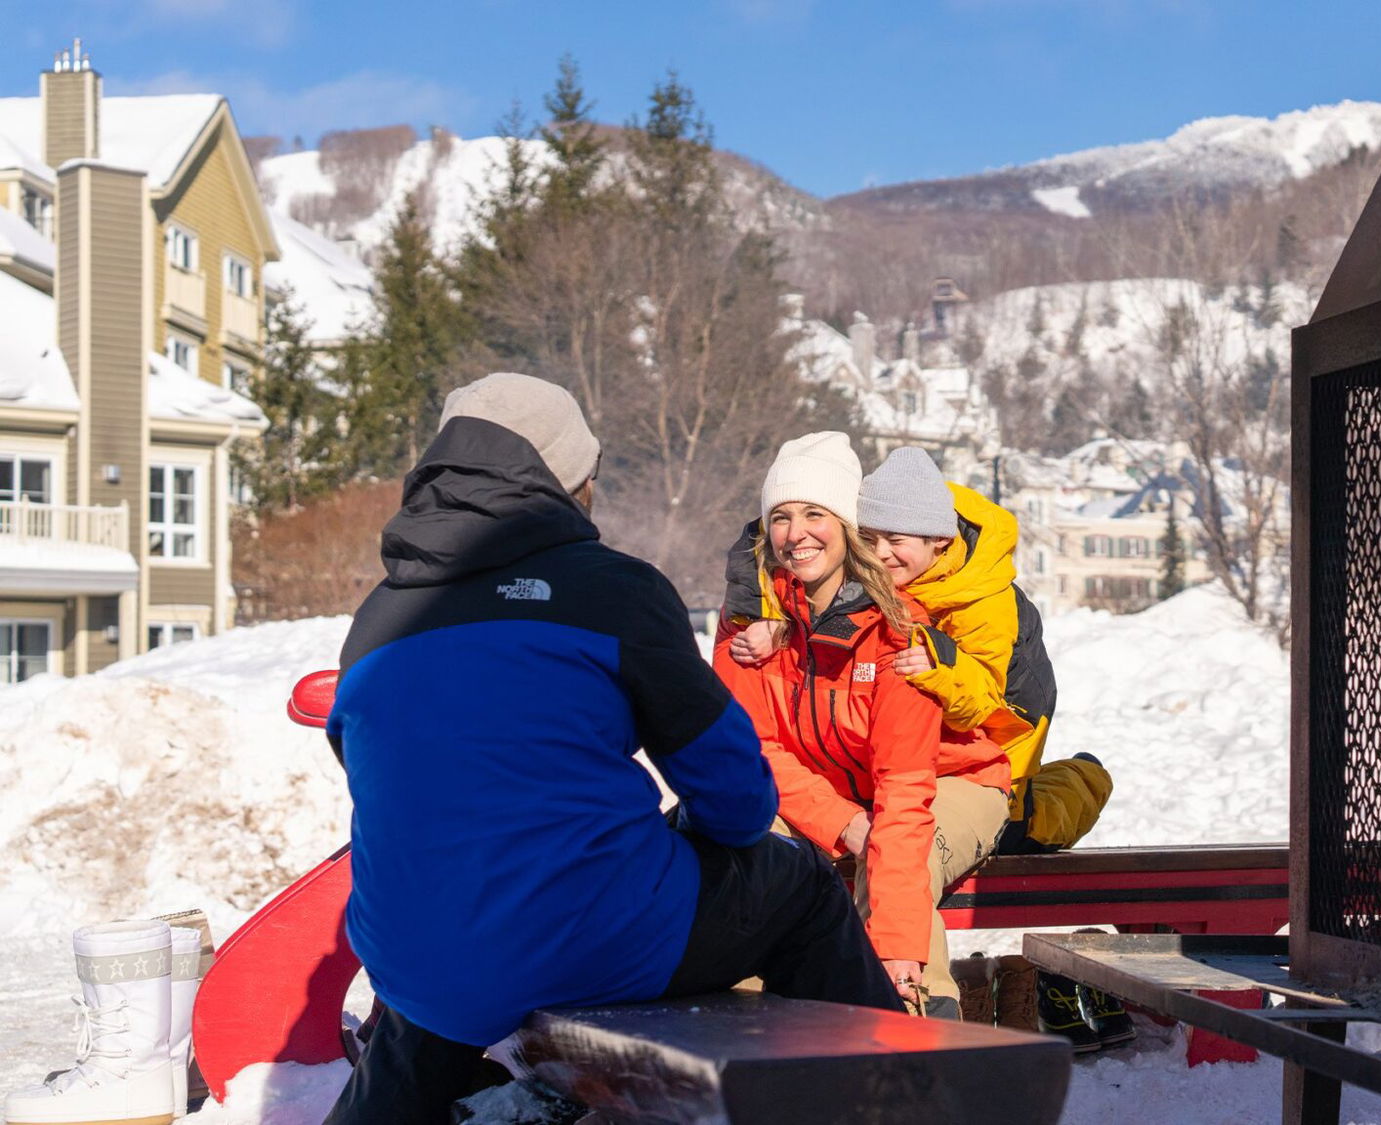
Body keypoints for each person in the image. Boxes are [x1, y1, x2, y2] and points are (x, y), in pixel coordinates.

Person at [323, 376, 901, 1124]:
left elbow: (377, 770)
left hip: (408, 947)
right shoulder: (609, 591)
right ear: (567, 481)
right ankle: (905, 1099)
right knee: (795, 883)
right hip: (584, 935)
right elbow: (737, 799)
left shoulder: (377, 615)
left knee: (451, 952)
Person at [710, 433, 1013, 1019]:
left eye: (814, 514)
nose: (795, 533)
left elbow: (904, 788)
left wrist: (898, 950)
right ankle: (733, 1018)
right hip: (835, 792)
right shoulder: (751, 624)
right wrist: (842, 820)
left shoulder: (901, 631)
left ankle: (917, 1017)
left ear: (849, 527)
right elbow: (748, 750)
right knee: (740, 839)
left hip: (949, 780)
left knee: (900, 856)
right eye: (781, 517)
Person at [725, 446, 1112, 856]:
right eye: (869, 539)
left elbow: (987, 706)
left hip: (1000, 733)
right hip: (913, 750)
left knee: (1022, 828)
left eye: (895, 541)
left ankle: (1083, 780)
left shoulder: (982, 603)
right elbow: (774, 550)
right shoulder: (890, 561)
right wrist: (767, 617)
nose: (880, 553)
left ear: (940, 541)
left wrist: (941, 665)